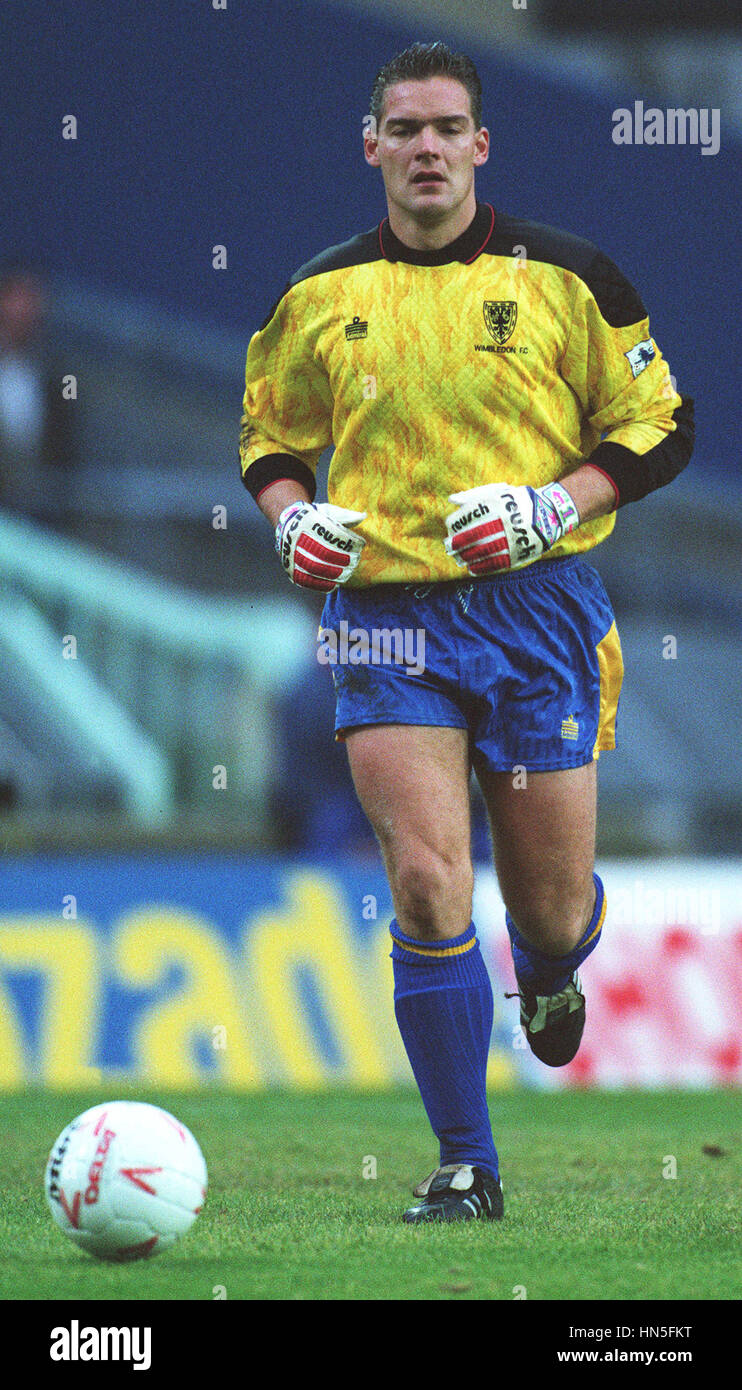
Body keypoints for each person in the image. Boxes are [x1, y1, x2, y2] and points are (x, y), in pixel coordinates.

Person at [239, 41, 694, 1223]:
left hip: (537, 613)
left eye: (449, 129)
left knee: (541, 908)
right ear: (372, 146)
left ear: (481, 146)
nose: (428, 148)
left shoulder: (569, 276)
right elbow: (269, 441)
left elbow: (662, 425)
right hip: (384, 615)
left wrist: (556, 504)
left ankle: (547, 973)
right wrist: (292, 521)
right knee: (431, 885)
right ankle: (464, 1164)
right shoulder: (318, 296)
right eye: (407, 129)